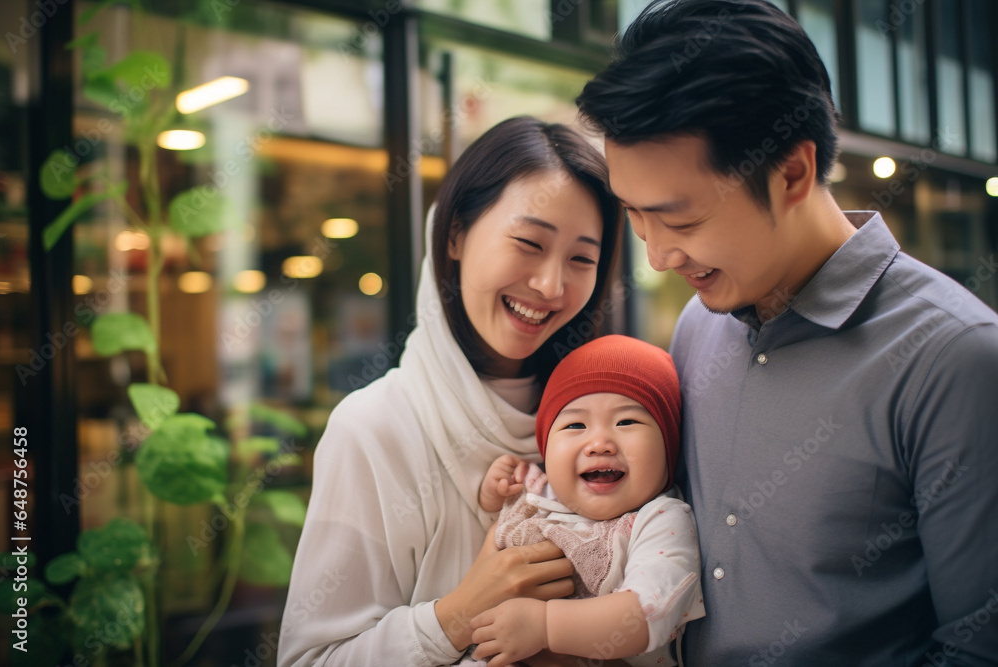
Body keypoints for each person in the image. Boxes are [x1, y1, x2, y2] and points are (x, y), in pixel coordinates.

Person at [575, 0, 998, 665]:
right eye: (634, 215)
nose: (656, 255)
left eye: (679, 221)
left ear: (793, 172)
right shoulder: (697, 324)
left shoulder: (956, 357)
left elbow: (978, 647)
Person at [277, 115, 624, 666]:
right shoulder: (374, 429)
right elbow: (310, 660)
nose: (551, 285)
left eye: (582, 258)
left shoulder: (610, 423)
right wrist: (458, 614)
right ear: (456, 233)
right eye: (529, 243)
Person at [469, 335, 704, 667]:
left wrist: (546, 626)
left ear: (669, 445)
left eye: (626, 421)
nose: (599, 443)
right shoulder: (538, 493)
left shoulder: (660, 520)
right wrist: (492, 495)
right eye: (575, 424)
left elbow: (648, 613)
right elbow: (498, 542)